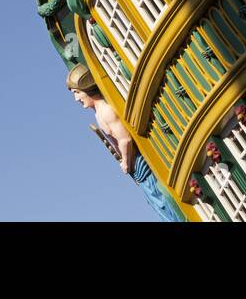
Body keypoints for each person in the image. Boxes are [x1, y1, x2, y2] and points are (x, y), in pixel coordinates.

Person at [66, 64, 184, 221]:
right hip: (136, 168)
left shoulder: (106, 111)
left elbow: (125, 139)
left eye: (77, 93)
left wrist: (126, 163)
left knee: (161, 200)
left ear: (87, 88)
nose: (76, 99)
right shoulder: (98, 113)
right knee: (155, 202)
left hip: (140, 165)